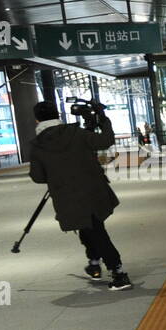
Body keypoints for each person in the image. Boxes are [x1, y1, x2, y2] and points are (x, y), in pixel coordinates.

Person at [28, 100, 131, 291]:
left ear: (37, 120)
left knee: (93, 230)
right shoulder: (77, 133)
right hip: (93, 190)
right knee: (89, 227)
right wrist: (103, 119)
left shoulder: (37, 145)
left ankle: (118, 272)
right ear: (57, 114)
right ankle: (94, 264)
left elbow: (38, 177)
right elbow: (106, 141)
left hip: (67, 196)